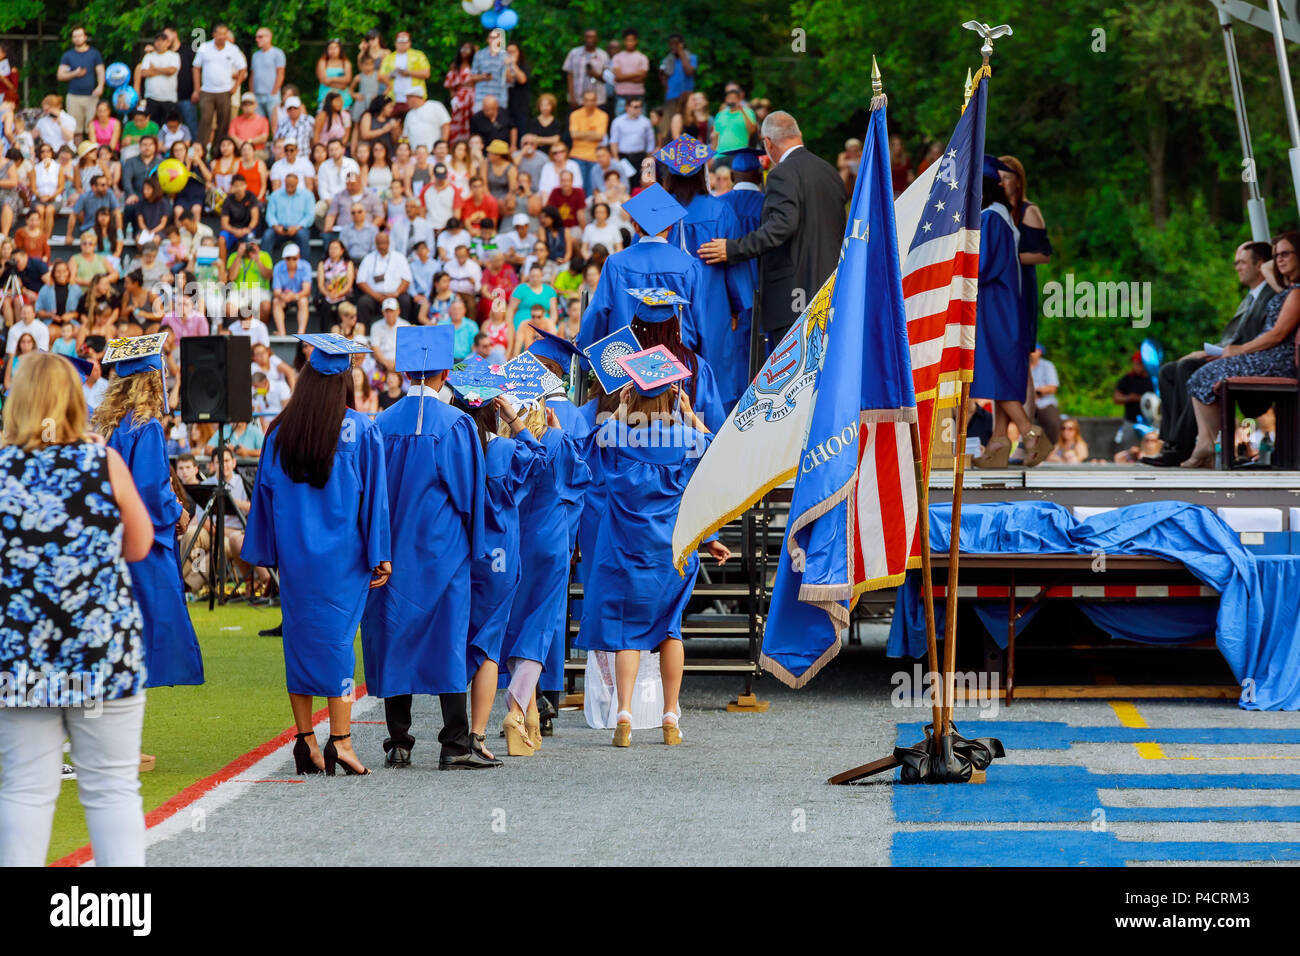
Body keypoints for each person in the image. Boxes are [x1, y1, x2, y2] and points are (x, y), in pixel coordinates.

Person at [0, 352, 155, 867]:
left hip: (23, 656)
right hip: (101, 652)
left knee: (24, 791)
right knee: (112, 790)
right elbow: (139, 545)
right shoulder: (101, 460)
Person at [242, 333, 392, 775]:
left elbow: (265, 496)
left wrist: (269, 553)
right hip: (343, 560)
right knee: (340, 645)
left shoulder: (280, 430)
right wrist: (379, 553)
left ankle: (305, 740)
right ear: (343, 380)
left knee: (300, 644)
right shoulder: (363, 429)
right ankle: (340, 742)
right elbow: (375, 500)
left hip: (297, 560)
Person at [360, 326, 499, 770]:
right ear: (444, 372)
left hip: (394, 556)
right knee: (448, 642)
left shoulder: (381, 422)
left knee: (395, 635)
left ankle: (398, 742)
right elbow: (467, 494)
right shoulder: (456, 424)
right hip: (442, 556)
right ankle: (455, 743)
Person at [576, 370, 729, 747]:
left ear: (632, 396)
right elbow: (717, 452)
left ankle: (624, 716)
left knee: (629, 633)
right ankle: (670, 717)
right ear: (672, 398)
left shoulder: (620, 438)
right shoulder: (686, 440)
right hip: (671, 556)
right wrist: (690, 413)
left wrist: (620, 409)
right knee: (670, 631)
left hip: (627, 553)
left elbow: (589, 446)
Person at [93, 333, 206, 691]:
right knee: (155, 630)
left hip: (116, 537)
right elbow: (149, 488)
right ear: (150, 379)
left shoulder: (114, 425)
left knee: (123, 632)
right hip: (145, 541)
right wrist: (178, 511)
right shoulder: (149, 427)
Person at [496, 362, 591, 754]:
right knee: (538, 629)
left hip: (512, 542)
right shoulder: (557, 440)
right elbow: (580, 484)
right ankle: (516, 709)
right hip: (551, 543)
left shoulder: (502, 446)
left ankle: (531, 717)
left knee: (515, 626)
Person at [454, 375, 545, 761]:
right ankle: (475, 735)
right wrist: (516, 420)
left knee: (457, 641)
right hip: (500, 558)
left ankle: (454, 734)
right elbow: (541, 463)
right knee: (489, 648)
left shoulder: (454, 447)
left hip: (461, 555)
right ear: (494, 408)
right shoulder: (506, 448)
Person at [699, 111, 846, 348]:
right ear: (798, 135)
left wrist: (734, 248)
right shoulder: (829, 172)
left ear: (767, 142)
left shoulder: (782, 173)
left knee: (792, 372)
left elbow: (781, 225)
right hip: (830, 288)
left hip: (793, 294)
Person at [1143, 241, 1278, 467]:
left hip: (1251, 361)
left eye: (1242, 262)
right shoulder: (1251, 297)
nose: (1237, 267)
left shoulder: (1270, 296)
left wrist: (1221, 354)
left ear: (1260, 265)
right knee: (1169, 370)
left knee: (1188, 368)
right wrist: (1209, 351)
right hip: (1234, 356)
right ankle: (1172, 442)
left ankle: (1183, 445)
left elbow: (1257, 339)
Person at [1182, 233, 1300, 467]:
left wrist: (1240, 349)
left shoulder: (1297, 292)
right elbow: (1267, 269)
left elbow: (1277, 334)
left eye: (1285, 254)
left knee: (1204, 373)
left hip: (1279, 359)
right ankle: (1209, 441)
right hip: (1270, 355)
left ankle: (1211, 444)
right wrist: (1276, 259)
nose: (1279, 260)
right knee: (1202, 373)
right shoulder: (1289, 287)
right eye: (1276, 255)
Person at [655, 134, 753, 407]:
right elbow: (735, 268)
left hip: (667, 305)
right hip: (713, 303)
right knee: (715, 371)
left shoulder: (658, 210)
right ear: (702, 173)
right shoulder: (720, 210)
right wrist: (735, 307)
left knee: (669, 366)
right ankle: (713, 432)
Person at [970, 157, 1049, 469]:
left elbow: (982, 266)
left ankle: (1031, 434)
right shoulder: (1001, 216)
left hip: (995, 308)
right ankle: (999, 441)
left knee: (996, 375)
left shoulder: (992, 219)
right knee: (999, 374)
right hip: (1003, 305)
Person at [579, 184, 706, 351]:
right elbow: (699, 317)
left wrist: (585, 353)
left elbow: (598, 311)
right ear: (669, 226)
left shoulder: (616, 263)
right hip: (676, 357)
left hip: (626, 358)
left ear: (636, 227)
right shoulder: (688, 265)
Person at [192, 24, 247, 153]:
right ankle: (201, 151)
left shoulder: (233, 49)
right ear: (214, 34)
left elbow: (242, 68)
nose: (222, 37)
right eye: (219, 34)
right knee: (206, 120)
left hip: (225, 91)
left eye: (224, 34)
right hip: (207, 91)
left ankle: (218, 151)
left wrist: (235, 86)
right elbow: (196, 67)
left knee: (224, 123)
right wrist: (196, 89)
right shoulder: (205, 47)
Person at [59, 26, 105, 142]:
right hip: (74, 96)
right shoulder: (68, 55)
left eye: (80, 35)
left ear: (85, 37)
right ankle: (78, 155)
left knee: (91, 128)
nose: (77, 38)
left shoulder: (94, 54)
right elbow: (60, 75)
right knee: (76, 129)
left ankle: (92, 153)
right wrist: (75, 73)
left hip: (91, 96)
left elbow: (100, 72)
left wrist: (100, 86)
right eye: (74, 36)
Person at [379, 32, 432, 112]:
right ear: (395, 43)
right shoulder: (389, 58)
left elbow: (426, 73)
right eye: (400, 40)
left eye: (405, 40)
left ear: (409, 42)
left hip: (415, 99)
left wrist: (408, 73)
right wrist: (392, 74)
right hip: (393, 99)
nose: (402, 43)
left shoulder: (418, 55)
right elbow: (380, 77)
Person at [564, 29, 610, 110]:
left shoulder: (603, 55)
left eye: (592, 37)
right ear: (584, 38)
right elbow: (570, 75)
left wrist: (595, 74)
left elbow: (607, 78)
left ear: (597, 39)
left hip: (598, 100)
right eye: (588, 37)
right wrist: (572, 97)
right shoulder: (574, 53)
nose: (590, 40)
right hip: (578, 99)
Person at [250, 27, 287, 123]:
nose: (257, 39)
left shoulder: (277, 53)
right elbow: (252, 75)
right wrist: (252, 94)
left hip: (271, 96)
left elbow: (281, 74)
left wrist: (274, 92)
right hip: (257, 96)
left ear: (269, 37)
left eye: (260, 37)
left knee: (276, 123)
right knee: (257, 124)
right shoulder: (255, 55)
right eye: (257, 37)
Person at [1028, 344, 1062, 447]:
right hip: (1025, 402)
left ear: (1040, 352)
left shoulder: (1047, 366)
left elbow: (1052, 387)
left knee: (1053, 422)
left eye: (1034, 351)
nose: (1031, 353)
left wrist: (1036, 392)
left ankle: (1052, 448)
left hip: (1044, 402)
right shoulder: (1020, 365)